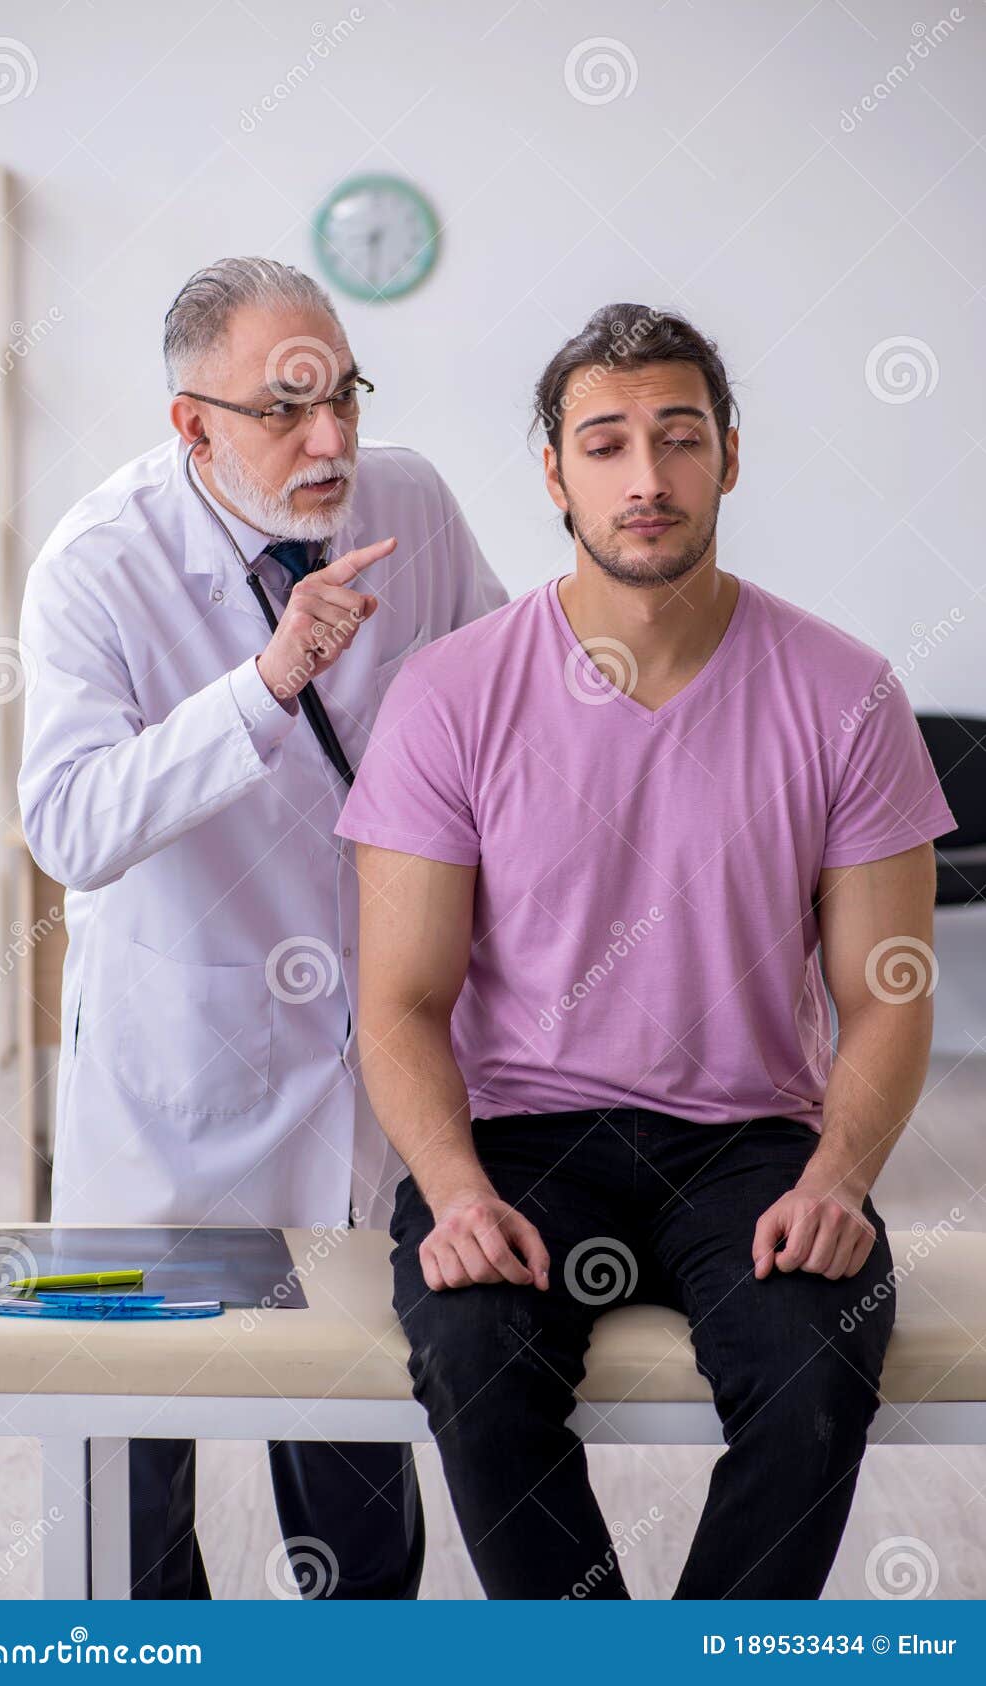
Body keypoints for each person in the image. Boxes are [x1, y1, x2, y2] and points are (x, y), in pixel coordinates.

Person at [334, 303, 958, 1600]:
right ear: (555, 473)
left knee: (815, 1364)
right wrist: (452, 1189)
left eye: (679, 439)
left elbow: (885, 991)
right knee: (473, 1357)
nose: (648, 477)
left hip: (750, 1140)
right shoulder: (451, 695)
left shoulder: (845, 695)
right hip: (519, 1134)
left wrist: (841, 1176)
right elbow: (399, 999)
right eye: (606, 443)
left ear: (729, 456)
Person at [17, 256, 506, 1599]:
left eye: (342, 392)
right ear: (193, 423)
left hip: (364, 1070)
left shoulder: (410, 504)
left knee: (355, 1470)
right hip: (173, 1074)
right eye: (287, 409)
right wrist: (268, 679)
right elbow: (67, 823)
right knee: (135, 1485)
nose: (331, 439)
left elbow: (513, 702)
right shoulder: (97, 563)